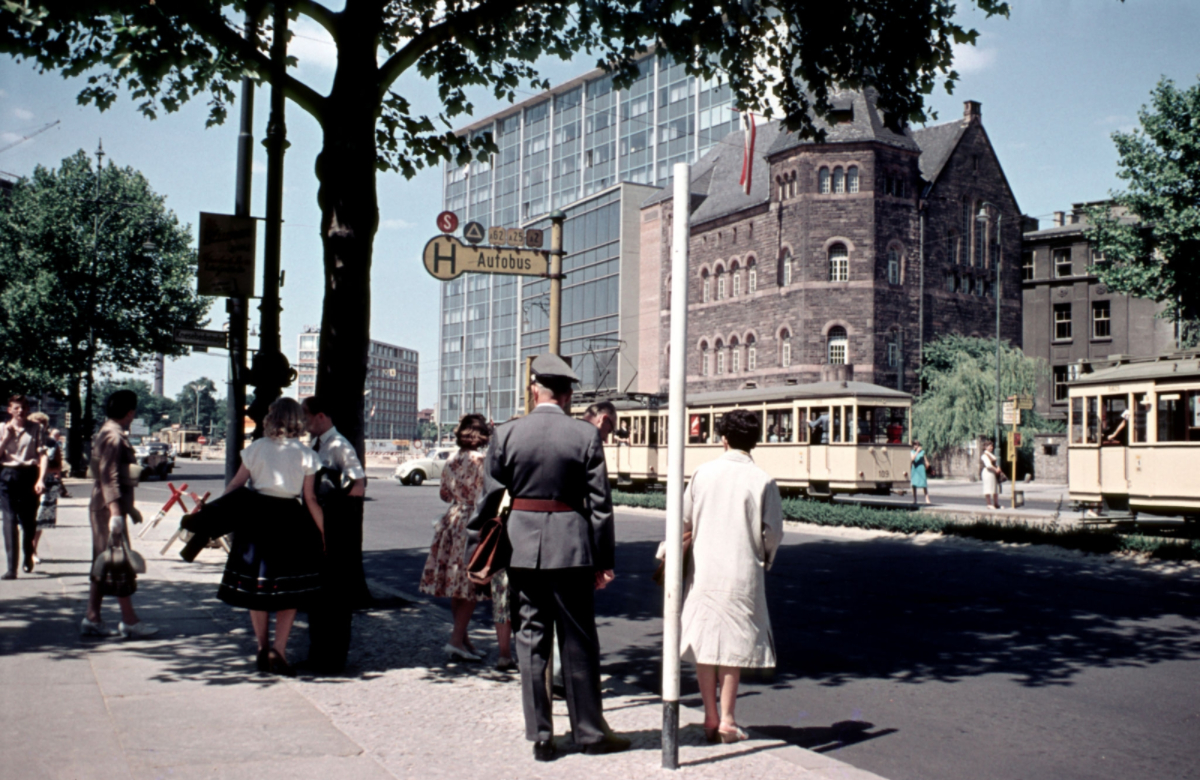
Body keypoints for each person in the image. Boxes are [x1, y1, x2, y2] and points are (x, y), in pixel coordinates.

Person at [466, 353, 628, 762]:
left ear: (534, 389)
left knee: (531, 639)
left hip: (522, 549)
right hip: (573, 549)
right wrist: (604, 560)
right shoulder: (584, 435)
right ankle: (589, 733)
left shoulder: (506, 433)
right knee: (578, 641)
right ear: (568, 395)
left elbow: (488, 499)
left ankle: (541, 735)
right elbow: (600, 506)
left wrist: (473, 552)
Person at [679, 409, 784, 744]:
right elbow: (773, 532)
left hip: (705, 570)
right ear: (755, 441)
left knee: (706, 642)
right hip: (742, 572)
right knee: (733, 646)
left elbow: (684, 521)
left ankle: (710, 717)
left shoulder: (702, 473)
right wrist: (764, 558)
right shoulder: (763, 480)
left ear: (723, 438)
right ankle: (727, 719)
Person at [217, 398, 325, 676]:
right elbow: (310, 498)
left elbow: (235, 485)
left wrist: (216, 515)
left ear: (271, 418)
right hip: (291, 520)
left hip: (257, 520)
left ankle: (262, 648)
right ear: (298, 420)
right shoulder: (306, 454)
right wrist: (325, 534)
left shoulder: (256, 448)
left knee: (258, 588)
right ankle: (279, 650)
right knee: (289, 591)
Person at [419, 413, 496, 662]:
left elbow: (444, 494)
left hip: (452, 519)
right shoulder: (481, 461)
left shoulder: (452, 459)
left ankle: (463, 640)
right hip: (472, 520)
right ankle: (455, 640)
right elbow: (485, 496)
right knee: (469, 585)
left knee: (456, 584)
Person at [81, 390, 157, 638]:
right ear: (130, 412)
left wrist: (128, 508)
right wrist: (116, 512)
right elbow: (109, 476)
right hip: (107, 508)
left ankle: (93, 617)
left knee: (103, 562)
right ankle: (129, 621)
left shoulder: (107, 431)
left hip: (104, 505)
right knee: (118, 562)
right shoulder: (114, 436)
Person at [302, 395, 368, 674]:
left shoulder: (340, 445)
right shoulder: (316, 445)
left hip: (333, 528)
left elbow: (359, 485)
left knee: (336, 596)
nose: (303, 422)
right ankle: (318, 654)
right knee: (318, 595)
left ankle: (333, 658)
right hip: (318, 527)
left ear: (321, 416)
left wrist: (332, 507)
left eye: (306, 416)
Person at [1, 395, 48, 579]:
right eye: (16, 407)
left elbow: (42, 455)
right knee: (9, 519)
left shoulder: (36, 428)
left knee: (28, 522)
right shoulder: (1, 428)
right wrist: (6, 438)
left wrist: (41, 479)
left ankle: (28, 553)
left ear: (28, 409)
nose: (20, 411)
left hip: (29, 475)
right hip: (8, 475)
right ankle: (11, 568)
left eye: (23, 407)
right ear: (9, 410)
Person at [32, 419, 65, 563]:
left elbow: (58, 467)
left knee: (40, 519)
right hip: (26, 482)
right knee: (26, 518)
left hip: (48, 484)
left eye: (42, 425)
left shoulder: (52, 443)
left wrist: (43, 470)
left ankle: (33, 550)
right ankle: (25, 548)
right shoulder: (24, 441)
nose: (39, 428)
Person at [981, 440, 1001, 510]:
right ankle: (989, 504)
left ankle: (996, 503)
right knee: (988, 488)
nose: (991, 447)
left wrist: (998, 468)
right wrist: (996, 469)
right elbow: (988, 465)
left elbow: (995, 463)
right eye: (989, 446)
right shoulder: (984, 455)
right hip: (988, 472)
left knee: (995, 488)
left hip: (993, 472)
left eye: (992, 446)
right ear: (985, 447)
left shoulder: (991, 454)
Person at [910, 441, 930, 506]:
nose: (916, 446)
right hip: (915, 469)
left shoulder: (922, 452)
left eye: (917, 444)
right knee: (914, 485)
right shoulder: (911, 452)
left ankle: (927, 499)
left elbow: (925, 460)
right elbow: (912, 459)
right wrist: (917, 452)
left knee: (924, 484)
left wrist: (927, 464)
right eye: (915, 444)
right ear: (913, 445)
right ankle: (915, 499)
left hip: (921, 468)